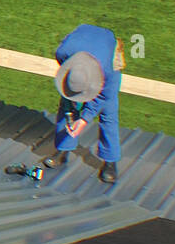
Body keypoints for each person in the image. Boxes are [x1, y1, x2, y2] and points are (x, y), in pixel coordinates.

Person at [50, 24, 123, 183]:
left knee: (108, 113)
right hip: (81, 46)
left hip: (108, 51)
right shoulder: (62, 53)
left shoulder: (108, 70)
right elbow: (67, 78)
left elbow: (103, 98)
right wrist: (71, 105)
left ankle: (110, 161)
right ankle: (63, 149)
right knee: (67, 103)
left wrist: (83, 120)